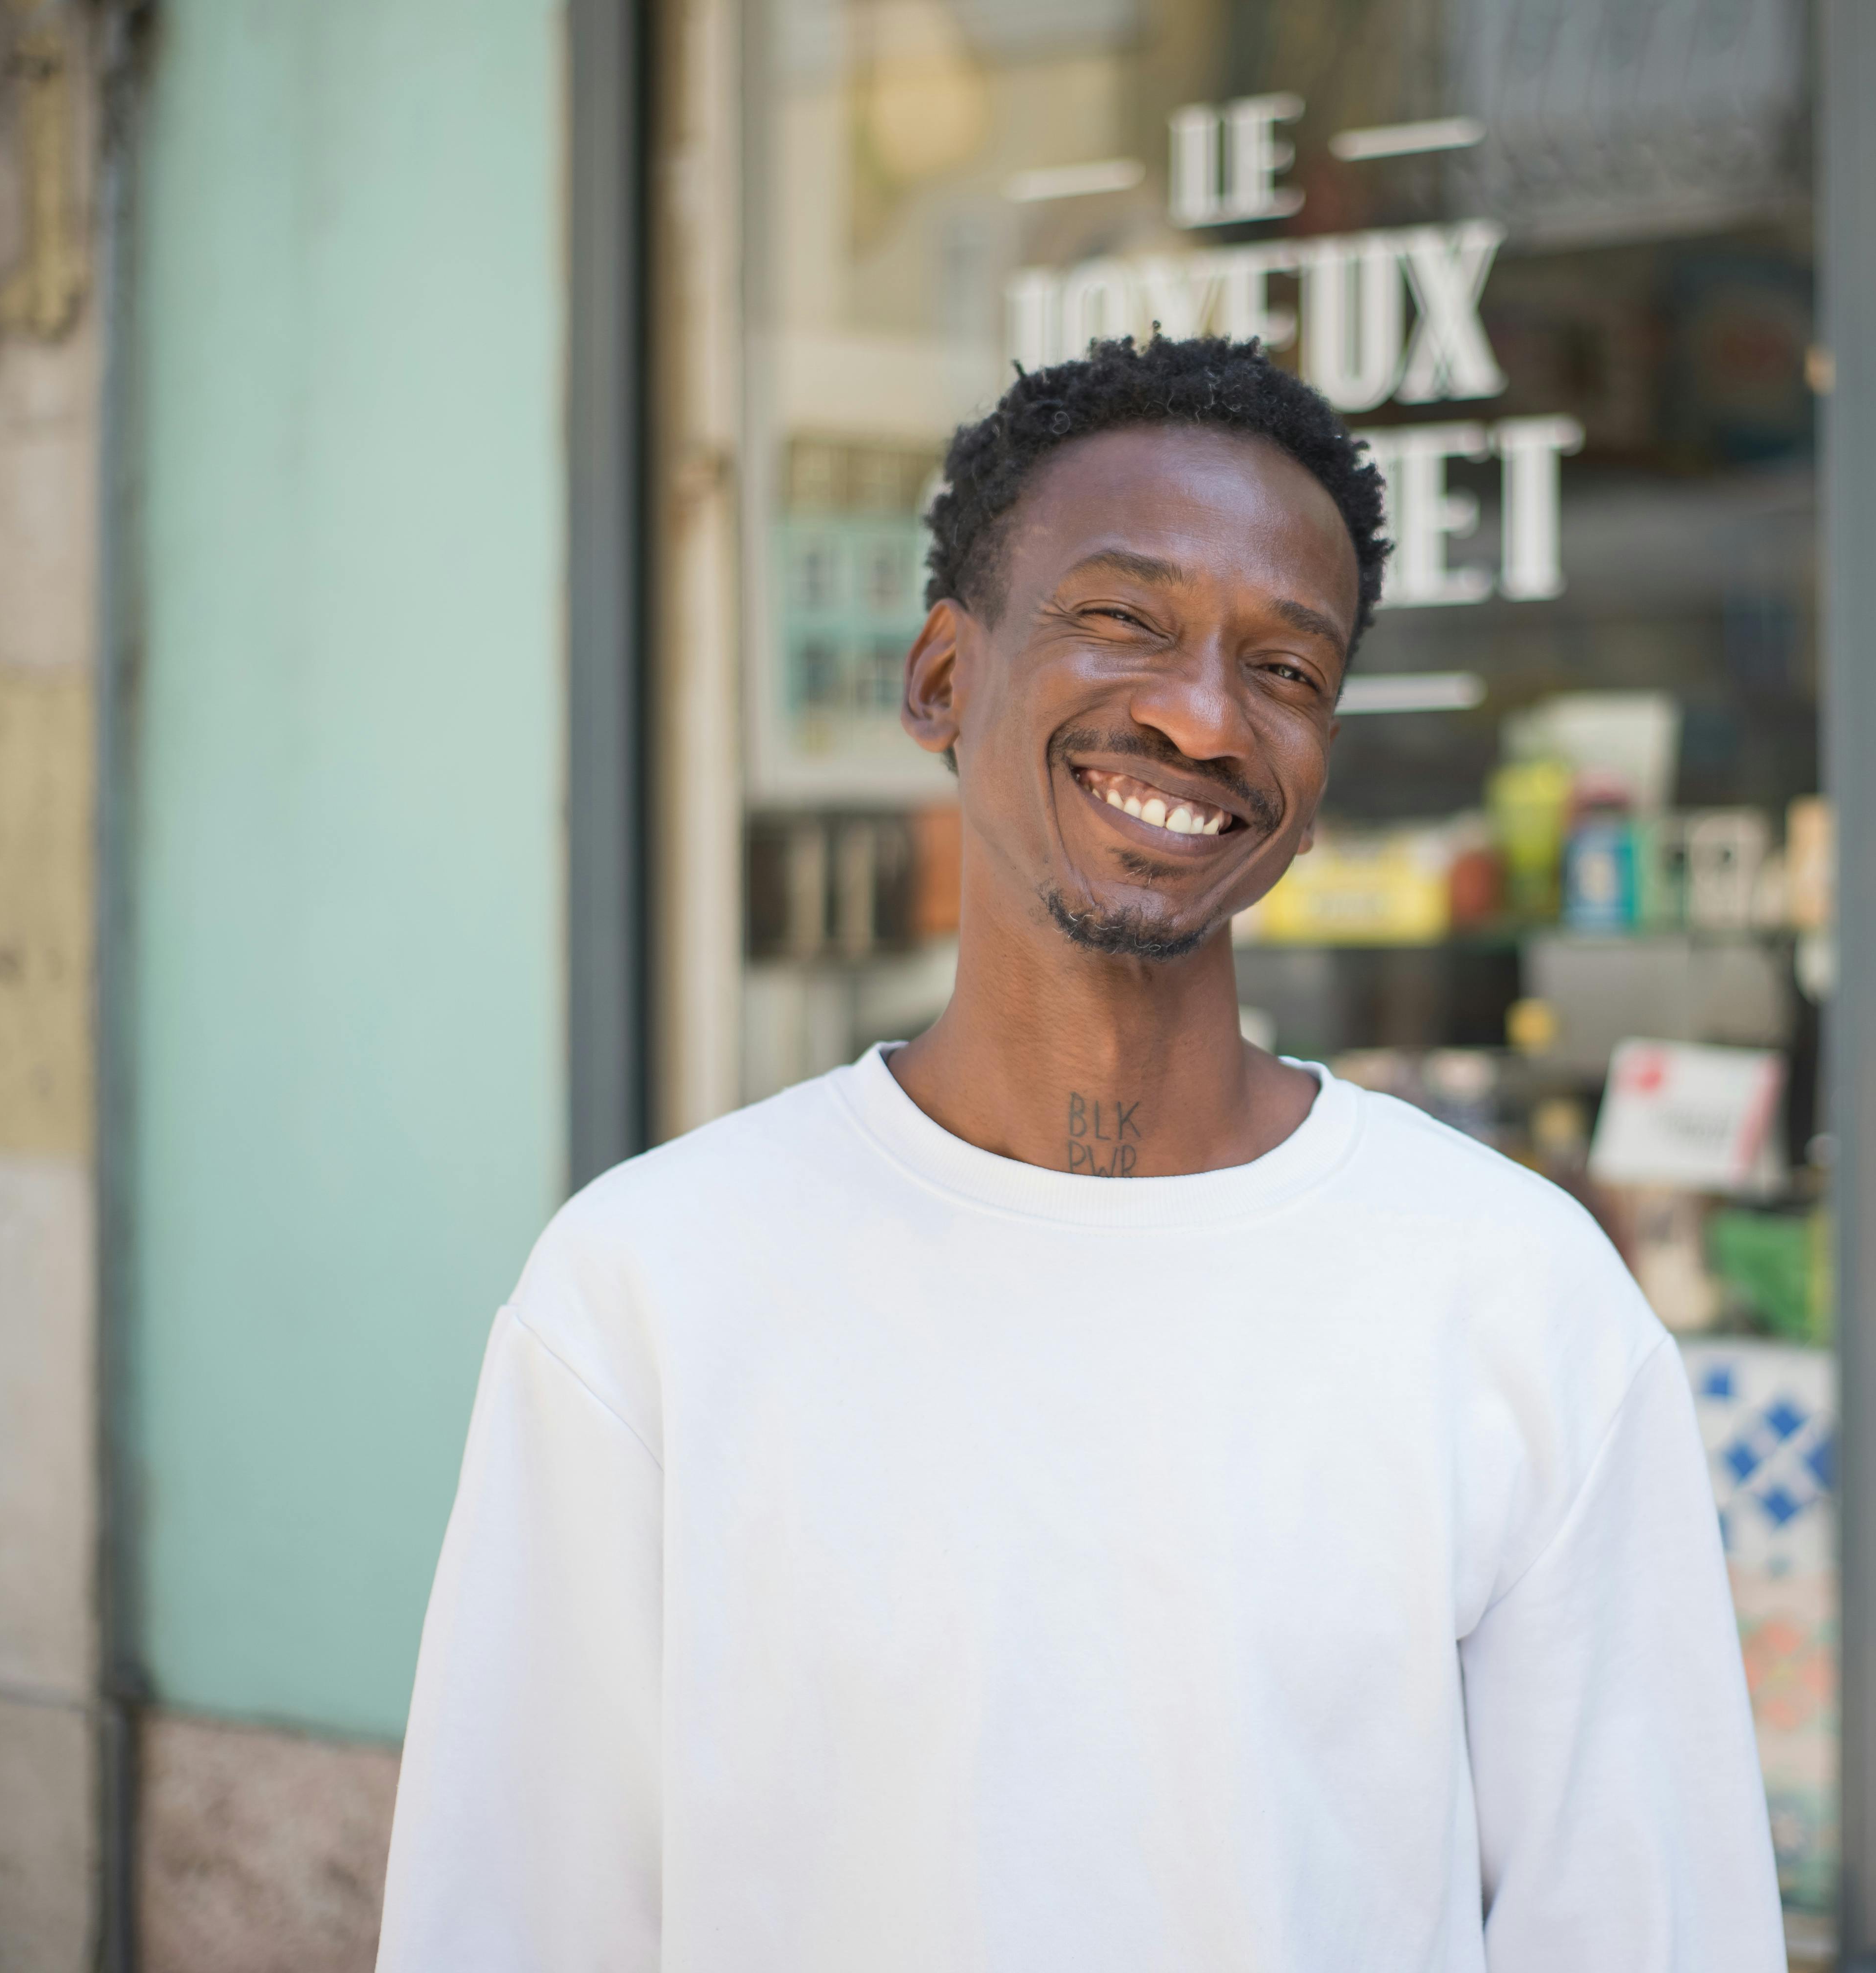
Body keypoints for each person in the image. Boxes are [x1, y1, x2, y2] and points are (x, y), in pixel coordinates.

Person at [375, 334, 1785, 1970]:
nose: (1201, 717)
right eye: (1123, 620)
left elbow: (1646, 1933)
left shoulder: (1515, 1299)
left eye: (1286, 671)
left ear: (1320, 774)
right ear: (940, 679)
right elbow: (517, 1924)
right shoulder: (653, 1294)